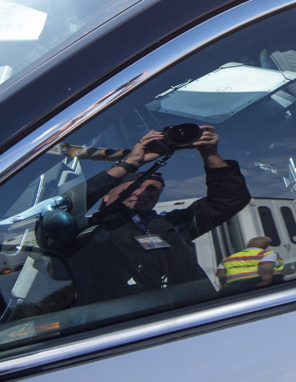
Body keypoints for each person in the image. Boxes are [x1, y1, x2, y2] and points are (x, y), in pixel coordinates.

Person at [64, 127, 250, 306]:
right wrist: (131, 163)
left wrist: (209, 154)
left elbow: (229, 199)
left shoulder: (171, 225)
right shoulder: (82, 229)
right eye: (135, 185)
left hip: (188, 320)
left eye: (153, 189)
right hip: (108, 326)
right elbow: (65, 205)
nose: (143, 193)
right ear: (107, 193)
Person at [219, 236, 283, 291]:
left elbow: (221, 274)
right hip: (260, 282)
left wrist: (225, 285)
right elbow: (265, 267)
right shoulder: (267, 254)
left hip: (235, 286)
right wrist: (267, 280)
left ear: (247, 246)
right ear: (266, 246)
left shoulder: (227, 259)